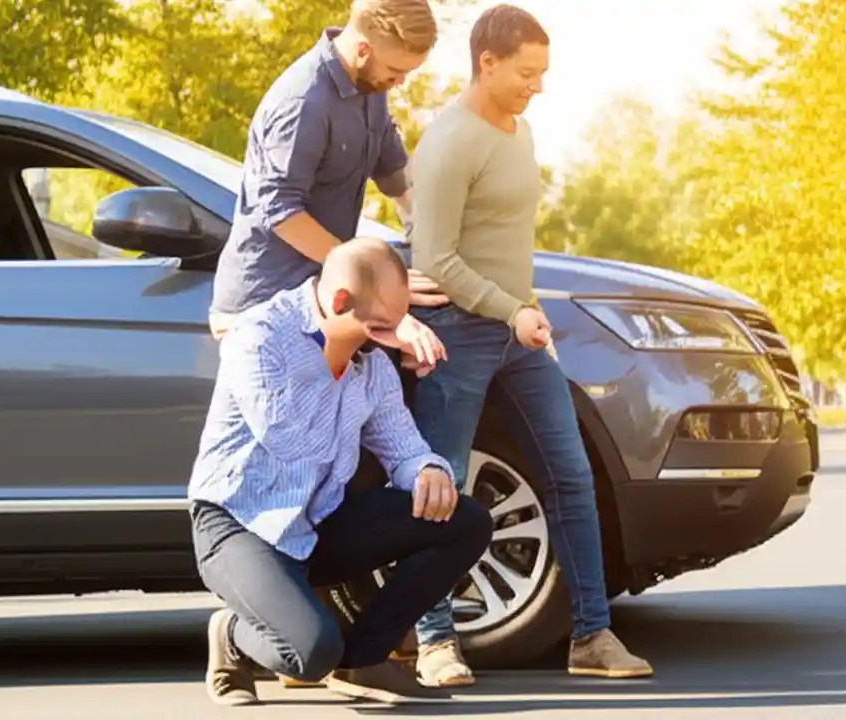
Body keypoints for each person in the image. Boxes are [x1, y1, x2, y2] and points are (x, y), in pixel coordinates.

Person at [404, 4, 654, 687]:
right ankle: (433, 642)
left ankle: (592, 636)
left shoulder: (521, 132)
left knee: (570, 475)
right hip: (457, 332)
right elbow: (436, 258)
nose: (537, 85)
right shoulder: (449, 143)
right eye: (526, 72)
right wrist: (509, 309)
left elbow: (509, 242)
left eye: (542, 73)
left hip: (518, 333)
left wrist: (528, 311)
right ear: (486, 62)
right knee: (441, 486)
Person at [189, 238, 493, 706]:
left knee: (465, 521)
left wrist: (428, 471)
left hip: (316, 518)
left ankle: (365, 659)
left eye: (395, 324)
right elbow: (287, 440)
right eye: (379, 326)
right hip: (239, 523)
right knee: (310, 654)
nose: (391, 338)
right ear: (338, 303)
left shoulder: (371, 358)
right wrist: (339, 354)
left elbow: (403, 444)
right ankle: (232, 633)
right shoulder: (259, 336)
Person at [208, 0, 448, 373]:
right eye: (396, 71)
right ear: (363, 50)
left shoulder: (371, 87)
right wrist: (368, 282)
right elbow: (283, 214)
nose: (401, 82)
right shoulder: (304, 102)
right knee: (300, 430)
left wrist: (437, 245)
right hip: (266, 308)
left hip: (325, 296)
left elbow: (396, 177)